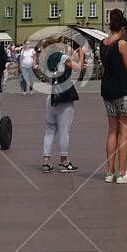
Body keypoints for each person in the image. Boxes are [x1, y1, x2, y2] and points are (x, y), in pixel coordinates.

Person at [101, 10, 127, 184]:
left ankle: (110, 172)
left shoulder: (103, 43)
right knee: (125, 132)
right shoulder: (122, 44)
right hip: (124, 90)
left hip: (108, 90)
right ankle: (122, 173)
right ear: (123, 28)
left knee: (112, 131)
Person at [39, 36, 83, 173]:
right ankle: (64, 161)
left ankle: (46, 161)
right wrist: (81, 55)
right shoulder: (61, 57)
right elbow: (79, 68)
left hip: (51, 96)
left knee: (49, 129)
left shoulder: (45, 59)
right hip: (64, 97)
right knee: (64, 131)